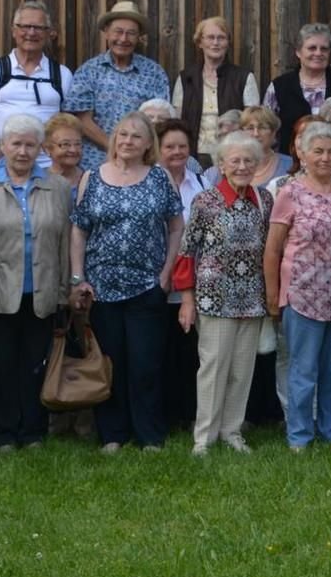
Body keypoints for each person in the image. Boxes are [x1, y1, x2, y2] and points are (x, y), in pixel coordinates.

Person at [69, 112, 184, 452]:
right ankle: (113, 435)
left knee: (145, 363)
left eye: (136, 136)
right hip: (102, 288)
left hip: (146, 285)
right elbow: (79, 228)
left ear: (149, 143)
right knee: (110, 362)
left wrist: (165, 273)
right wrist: (78, 277)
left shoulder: (159, 178)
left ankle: (149, 434)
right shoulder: (92, 178)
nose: (127, 141)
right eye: (122, 135)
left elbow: (176, 226)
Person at [0, 116, 74, 452]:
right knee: (0, 365)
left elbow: (65, 242)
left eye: (30, 145)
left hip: (43, 292)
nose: (23, 151)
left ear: (40, 148)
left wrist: (65, 292)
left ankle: (33, 432)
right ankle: (3, 434)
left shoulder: (58, 187)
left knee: (35, 365)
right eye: (16, 144)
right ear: (4, 147)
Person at [266, 124, 331, 453]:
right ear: (304, 154)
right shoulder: (290, 192)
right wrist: (272, 295)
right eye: (318, 151)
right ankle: (299, 435)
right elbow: (273, 249)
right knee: (303, 368)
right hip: (303, 294)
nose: (325, 158)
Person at [181, 133, 277, 455]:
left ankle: (232, 432)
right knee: (213, 368)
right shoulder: (205, 202)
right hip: (214, 297)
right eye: (234, 160)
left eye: (248, 160)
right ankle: (204, 438)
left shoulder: (264, 200)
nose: (242, 166)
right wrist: (187, 298)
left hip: (251, 297)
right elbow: (187, 251)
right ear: (221, 165)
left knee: (241, 370)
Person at [69, 2, 171, 174]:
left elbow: (160, 121)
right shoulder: (89, 70)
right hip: (94, 164)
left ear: (138, 37)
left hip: (140, 166)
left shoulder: (154, 73)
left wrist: (132, 150)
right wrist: (115, 147)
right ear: (107, 33)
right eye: (118, 32)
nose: (123, 39)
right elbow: (82, 119)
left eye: (131, 33)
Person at [155, 118, 211, 428]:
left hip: (194, 284)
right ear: (157, 148)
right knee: (158, 351)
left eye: (182, 146)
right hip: (156, 280)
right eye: (170, 146)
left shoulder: (202, 184)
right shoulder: (148, 181)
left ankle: (190, 415)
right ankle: (162, 416)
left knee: (191, 354)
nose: (177, 152)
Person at [0, 2, 74, 149]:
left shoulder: (62, 74)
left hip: (47, 164)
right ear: (14, 31)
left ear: (48, 33)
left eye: (38, 28)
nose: (31, 33)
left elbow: (69, 124)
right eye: (25, 26)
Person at [171, 16, 260, 158]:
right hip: (193, 155)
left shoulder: (244, 78)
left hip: (232, 154)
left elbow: (253, 121)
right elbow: (176, 120)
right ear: (200, 42)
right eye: (210, 37)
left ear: (228, 42)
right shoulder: (186, 78)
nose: (215, 43)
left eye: (221, 38)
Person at [268, 23, 331, 154]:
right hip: (291, 164)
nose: (318, 53)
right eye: (312, 48)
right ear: (298, 52)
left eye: (324, 49)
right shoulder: (279, 86)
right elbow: (268, 129)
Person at [238, 106, 293, 182]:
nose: (256, 134)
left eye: (262, 127)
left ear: (273, 132)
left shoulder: (290, 165)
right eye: (250, 128)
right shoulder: (230, 165)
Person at [44, 113, 87, 184]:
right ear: (47, 149)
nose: (73, 150)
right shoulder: (38, 181)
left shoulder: (90, 180)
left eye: (77, 144)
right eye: (65, 144)